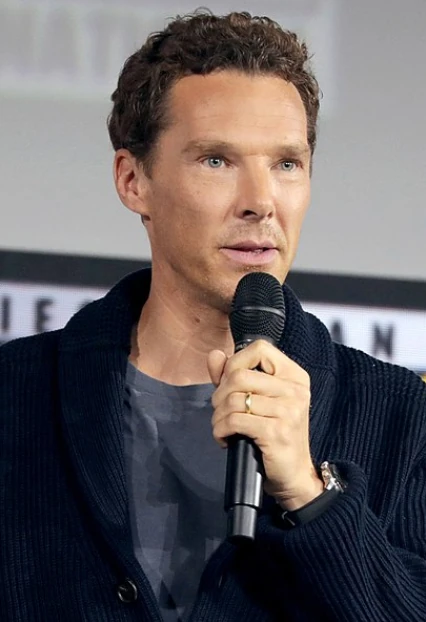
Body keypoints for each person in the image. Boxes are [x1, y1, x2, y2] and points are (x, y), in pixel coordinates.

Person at [1, 9, 426, 622]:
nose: (260, 202)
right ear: (133, 180)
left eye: (286, 163)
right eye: (217, 161)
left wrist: (311, 495)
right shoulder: (15, 393)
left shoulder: (399, 415)